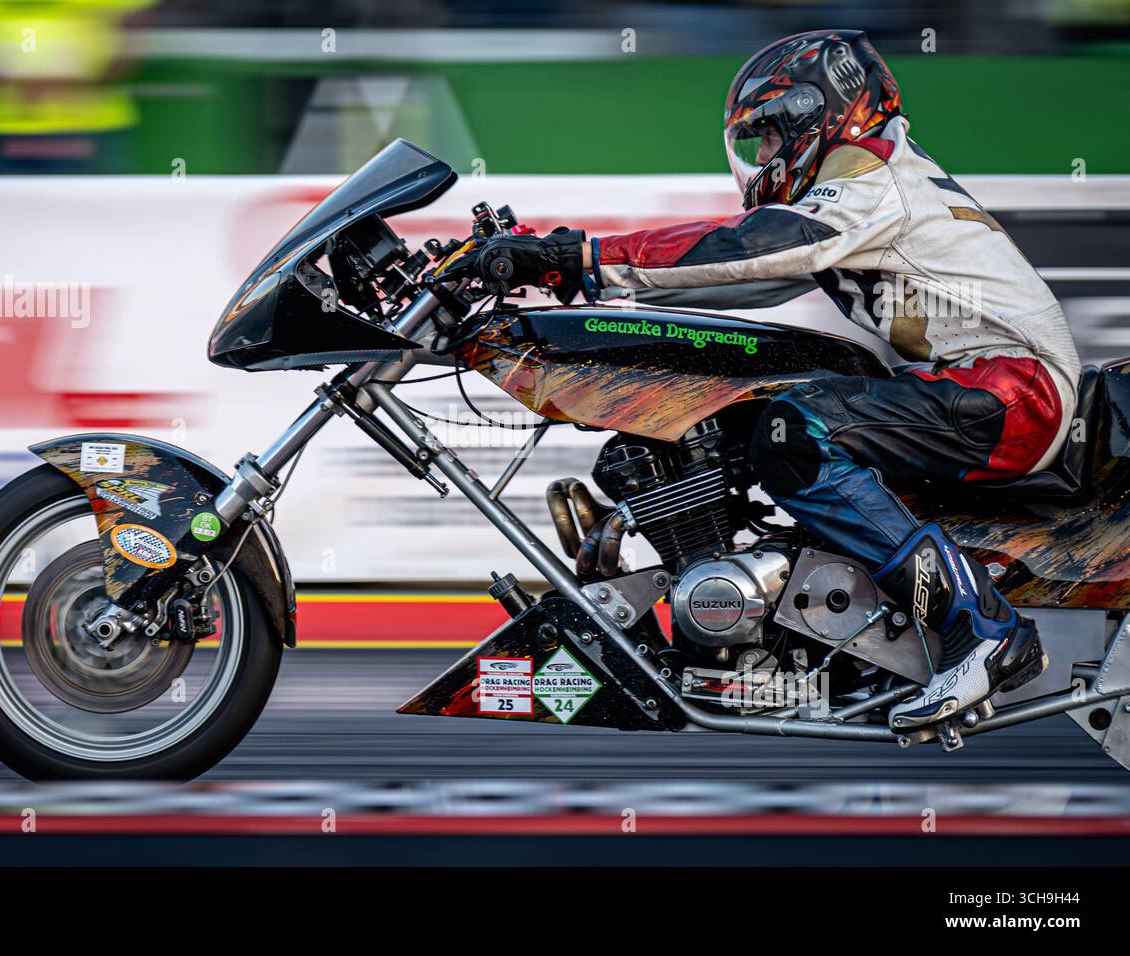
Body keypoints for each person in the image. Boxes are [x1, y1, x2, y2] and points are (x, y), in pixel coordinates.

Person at [444, 30, 1077, 730]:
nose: (765, 158)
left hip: (1015, 394)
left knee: (795, 433)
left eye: (771, 137)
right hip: (997, 388)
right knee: (756, 416)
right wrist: (578, 286)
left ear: (821, 112)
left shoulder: (872, 180)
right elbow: (742, 282)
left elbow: (749, 246)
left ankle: (981, 628)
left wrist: (582, 256)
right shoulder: (864, 182)